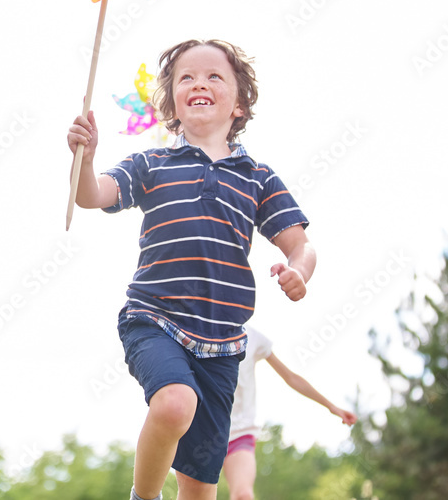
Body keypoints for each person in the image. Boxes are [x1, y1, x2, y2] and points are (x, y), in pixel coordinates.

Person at [67, 39, 316, 500]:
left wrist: (299, 270)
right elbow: (91, 195)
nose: (199, 82)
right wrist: (84, 156)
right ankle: (143, 497)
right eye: (187, 77)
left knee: (201, 491)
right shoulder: (151, 164)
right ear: (172, 104)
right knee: (174, 403)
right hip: (154, 319)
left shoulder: (258, 177)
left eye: (214, 76)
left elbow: (299, 243)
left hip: (222, 343)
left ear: (239, 104)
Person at [222, 327, 357, 500]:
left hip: (238, 432)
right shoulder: (199, 326)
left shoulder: (254, 338)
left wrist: (331, 406)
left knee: (243, 495)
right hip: (203, 431)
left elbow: (290, 377)